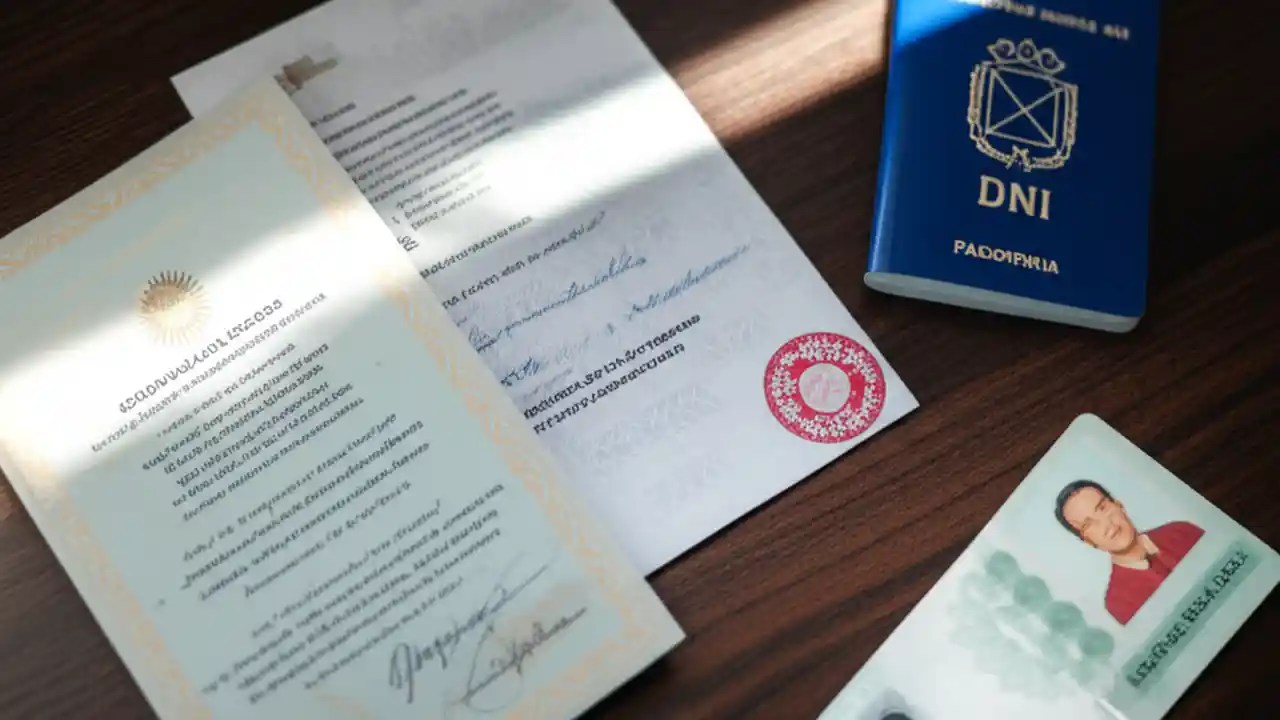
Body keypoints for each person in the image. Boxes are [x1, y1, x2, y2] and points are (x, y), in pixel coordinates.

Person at [1054, 480, 1203, 625]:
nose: (1107, 524)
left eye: (1103, 508)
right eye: (1089, 524)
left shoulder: (1180, 531)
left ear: (1120, 506)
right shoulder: (1118, 602)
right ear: (1088, 541)